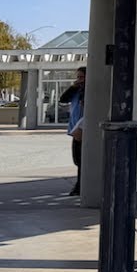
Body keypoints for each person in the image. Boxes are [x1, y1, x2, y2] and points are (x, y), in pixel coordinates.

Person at [60, 67, 85, 196]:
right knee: (77, 159)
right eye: (78, 77)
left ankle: (80, 185)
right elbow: (63, 99)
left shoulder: (87, 91)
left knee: (82, 160)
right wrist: (73, 87)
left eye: (82, 77)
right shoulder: (76, 91)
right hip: (75, 128)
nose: (79, 80)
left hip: (83, 129)